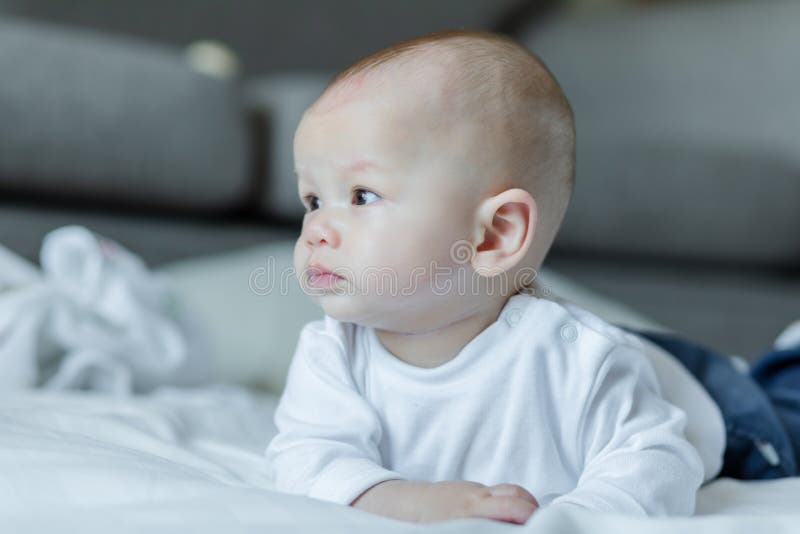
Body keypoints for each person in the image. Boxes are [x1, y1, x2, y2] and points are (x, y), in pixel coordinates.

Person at [264, 29, 800, 524]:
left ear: (494, 236)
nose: (317, 229)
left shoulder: (579, 363)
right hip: (630, 358)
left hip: (712, 404)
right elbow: (309, 461)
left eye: (361, 196)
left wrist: (582, 515)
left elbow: (660, 459)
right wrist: (423, 503)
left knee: (786, 411)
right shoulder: (331, 354)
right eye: (312, 199)